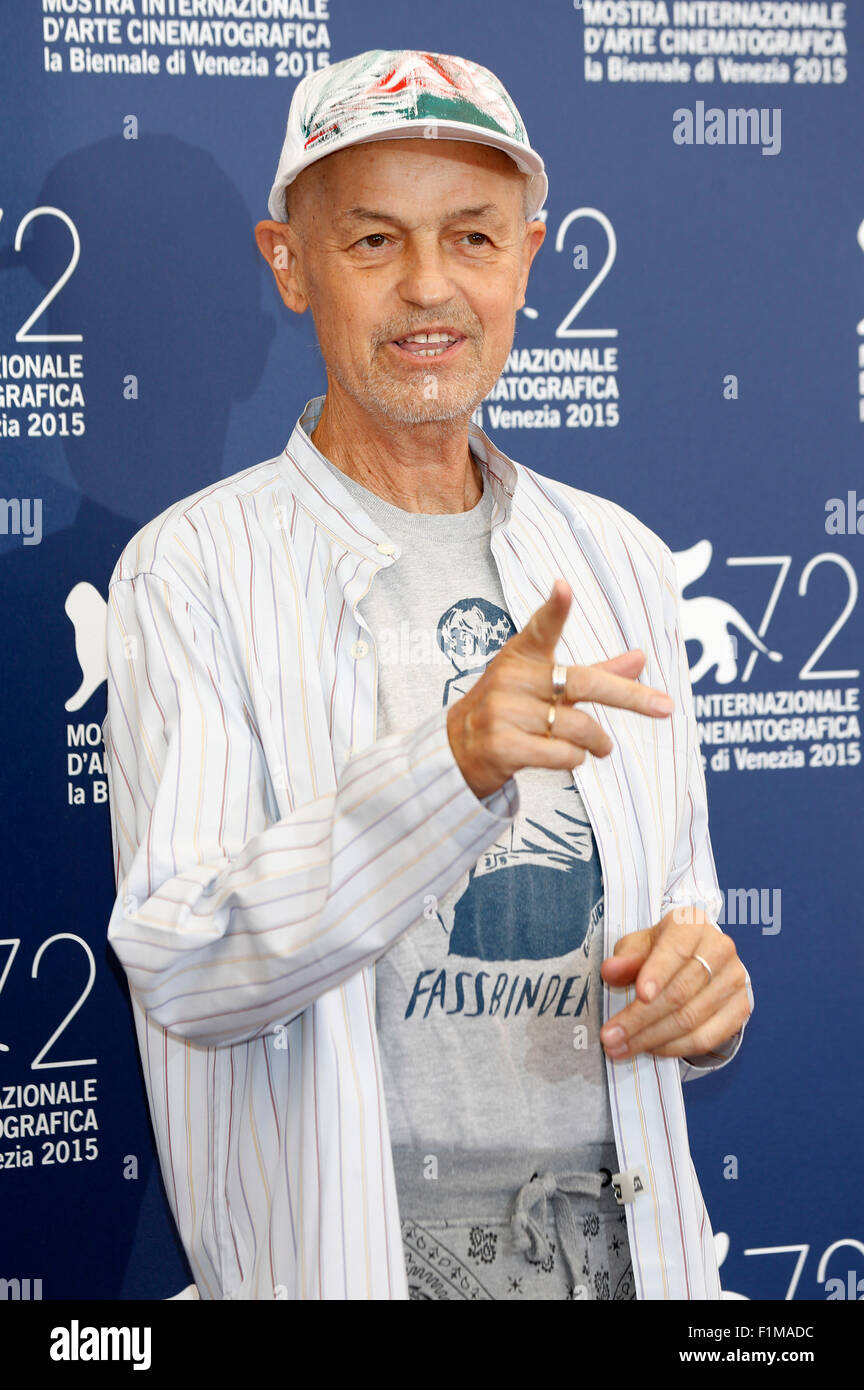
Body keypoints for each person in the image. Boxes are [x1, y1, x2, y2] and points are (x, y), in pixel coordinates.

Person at [103, 48, 753, 1301]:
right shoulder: (191, 570)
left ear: (528, 256)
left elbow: (679, 921)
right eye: (372, 243)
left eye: (472, 237)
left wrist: (703, 993)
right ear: (289, 264)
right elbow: (185, 966)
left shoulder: (614, 557)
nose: (428, 289)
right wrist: (453, 764)